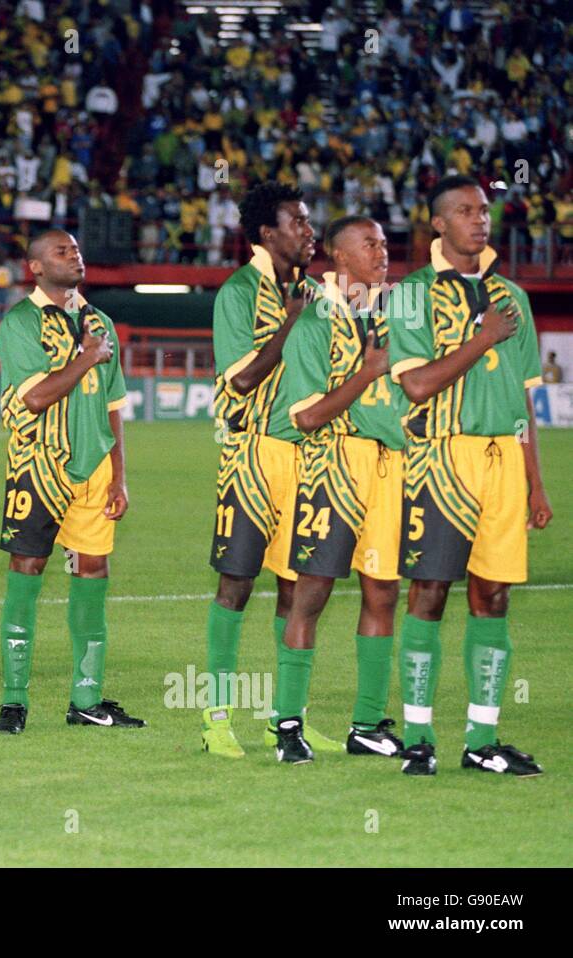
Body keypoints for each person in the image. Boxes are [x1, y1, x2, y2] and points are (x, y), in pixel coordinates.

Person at [387, 175, 553, 777]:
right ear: (438, 224)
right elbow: (415, 383)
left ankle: (482, 739)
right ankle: (417, 735)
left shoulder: (513, 295)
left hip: (504, 460)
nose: (479, 220)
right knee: (429, 593)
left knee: (494, 596)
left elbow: (526, 396)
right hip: (441, 458)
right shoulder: (409, 294)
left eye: (483, 210)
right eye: (464, 211)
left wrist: (536, 482)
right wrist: (483, 338)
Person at [201, 182, 342, 759]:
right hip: (253, 454)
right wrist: (290, 323)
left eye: (310, 223)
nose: (311, 232)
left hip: (310, 456)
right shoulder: (238, 291)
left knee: (297, 590)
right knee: (235, 586)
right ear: (267, 233)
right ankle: (215, 721)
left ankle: (288, 722)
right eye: (300, 223)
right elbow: (240, 379)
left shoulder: (317, 292)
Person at [0, 230, 142, 734]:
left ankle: (86, 699)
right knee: (28, 568)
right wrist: (86, 358)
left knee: (92, 573)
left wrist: (119, 476)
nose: (74, 256)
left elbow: (114, 406)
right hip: (38, 464)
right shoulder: (20, 322)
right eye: (61, 251)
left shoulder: (99, 322)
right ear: (34, 266)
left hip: (95, 468)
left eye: (77, 249)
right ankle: (14, 700)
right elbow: (35, 398)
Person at [273, 216, 407, 764]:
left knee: (383, 593)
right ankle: (287, 726)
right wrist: (367, 374)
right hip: (332, 464)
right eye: (370, 244)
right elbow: (304, 417)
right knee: (312, 594)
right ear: (340, 258)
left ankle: (368, 724)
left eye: (383, 243)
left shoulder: (392, 316)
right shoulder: (313, 324)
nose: (383, 253)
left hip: (389, 467)